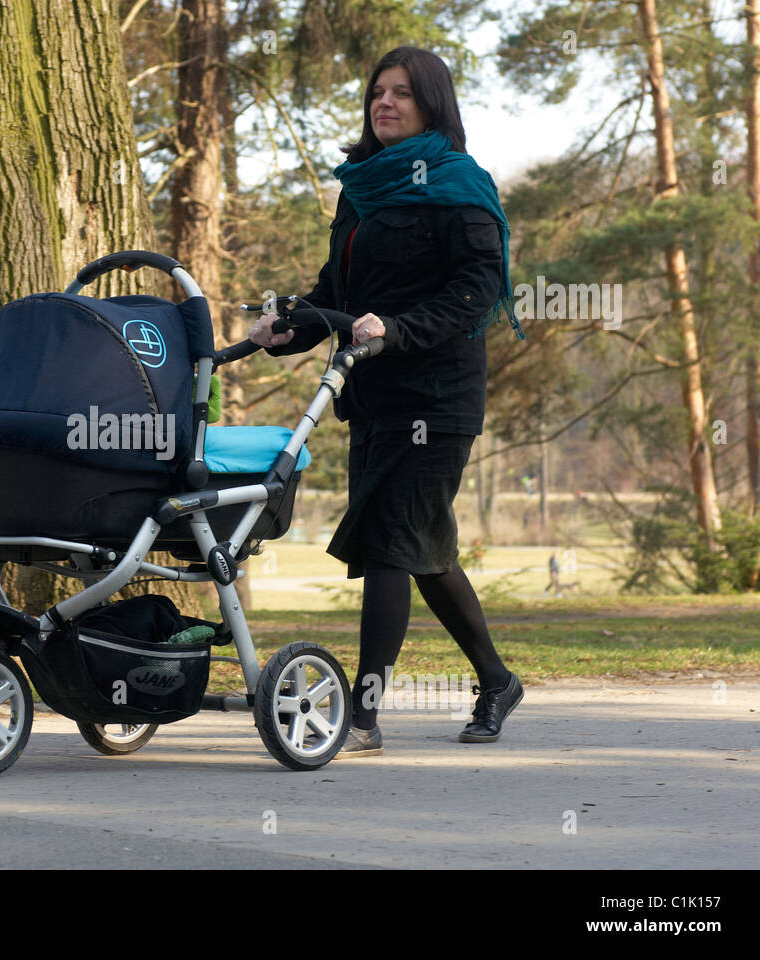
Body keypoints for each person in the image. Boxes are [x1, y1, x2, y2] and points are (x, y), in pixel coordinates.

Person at [249, 46, 526, 756]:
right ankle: (496, 680)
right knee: (419, 547)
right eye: (378, 92)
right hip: (373, 392)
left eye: (402, 93)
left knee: (389, 546)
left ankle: (362, 718)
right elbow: (334, 296)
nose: (386, 102)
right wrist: (284, 325)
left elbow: (475, 290)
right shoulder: (361, 191)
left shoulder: (462, 184)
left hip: (438, 394)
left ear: (432, 103)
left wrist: (398, 328)